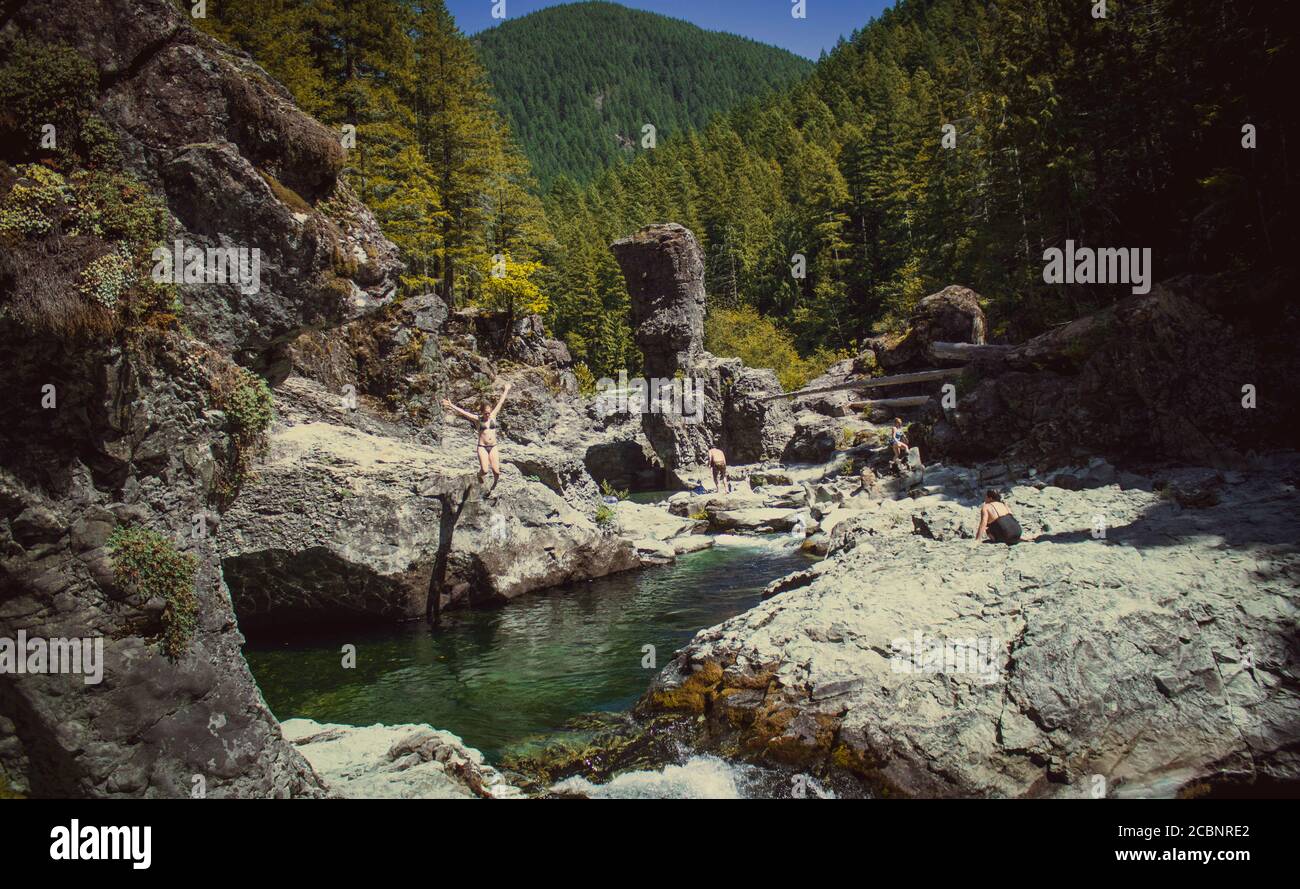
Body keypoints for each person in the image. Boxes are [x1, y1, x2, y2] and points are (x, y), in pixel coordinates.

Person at [442, 382, 512, 491]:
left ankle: (494, 484)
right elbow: (463, 413)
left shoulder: (493, 416)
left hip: (493, 446)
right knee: (484, 470)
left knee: (496, 472)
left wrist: (506, 389)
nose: (488, 415)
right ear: (482, 412)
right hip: (482, 447)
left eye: (489, 412)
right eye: (485, 413)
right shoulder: (477, 419)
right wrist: (451, 405)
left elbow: (501, 402)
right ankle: (479, 475)